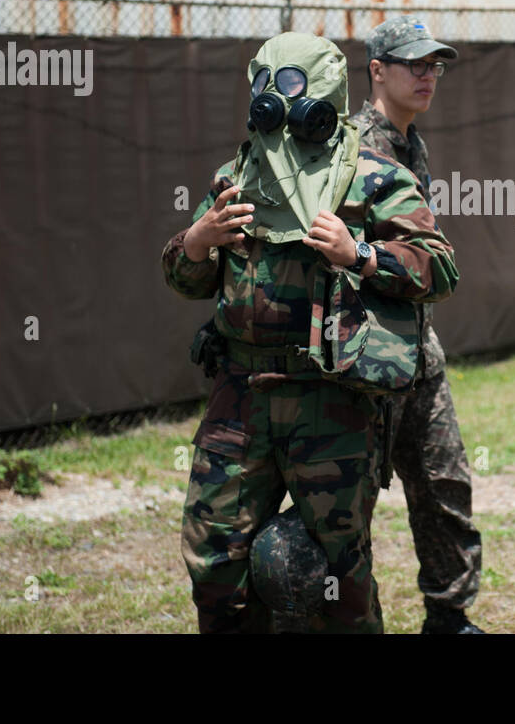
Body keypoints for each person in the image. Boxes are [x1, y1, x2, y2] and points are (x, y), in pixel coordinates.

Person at [162, 31, 458, 634]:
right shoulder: (235, 177)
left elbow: (440, 268)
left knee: (333, 572)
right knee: (215, 558)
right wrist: (198, 241)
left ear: (322, 89)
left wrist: (362, 253)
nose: (276, 98)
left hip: (331, 401)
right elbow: (184, 275)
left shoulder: (371, 177)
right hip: (240, 397)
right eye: (265, 84)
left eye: (291, 83)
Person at [348, 16, 485, 635]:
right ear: (377, 70)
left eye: (436, 65)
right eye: (415, 65)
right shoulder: (350, 148)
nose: (429, 76)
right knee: (351, 507)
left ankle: (448, 618)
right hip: (365, 357)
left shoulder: (411, 141)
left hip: (419, 351)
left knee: (444, 486)